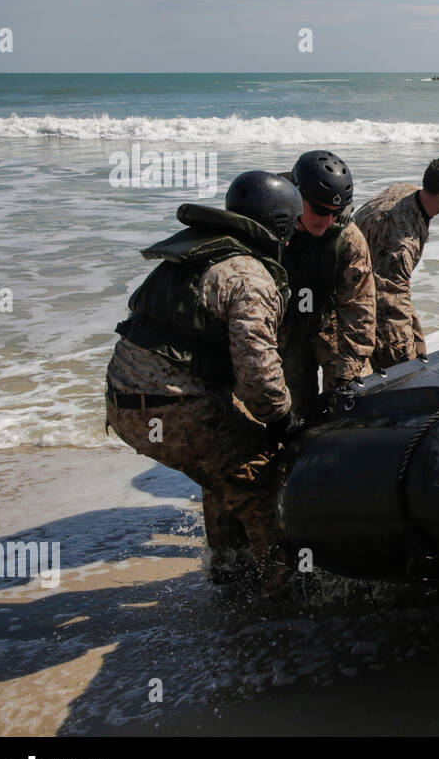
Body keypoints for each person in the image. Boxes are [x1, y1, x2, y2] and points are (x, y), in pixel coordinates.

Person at [105, 171, 305, 596]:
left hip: (126, 401)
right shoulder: (250, 276)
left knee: (222, 469)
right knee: (262, 470)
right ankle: (284, 587)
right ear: (283, 227)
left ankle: (228, 570)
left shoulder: (198, 254)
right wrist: (284, 422)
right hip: (170, 409)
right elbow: (259, 373)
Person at [277, 150, 375, 419]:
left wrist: (348, 374)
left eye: (335, 211)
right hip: (281, 325)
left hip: (327, 316)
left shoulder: (348, 239)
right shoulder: (268, 223)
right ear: (296, 196)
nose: (327, 220)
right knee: (290, 411)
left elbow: (360, 310)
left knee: (354, 400)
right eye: (319, 210)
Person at [354, 158, 439, 369]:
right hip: (357, 289)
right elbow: (390, 302)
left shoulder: (406, 191)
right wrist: (405, 359)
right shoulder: (402, 244)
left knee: (417, 347)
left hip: (373, 268)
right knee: (402, 361)